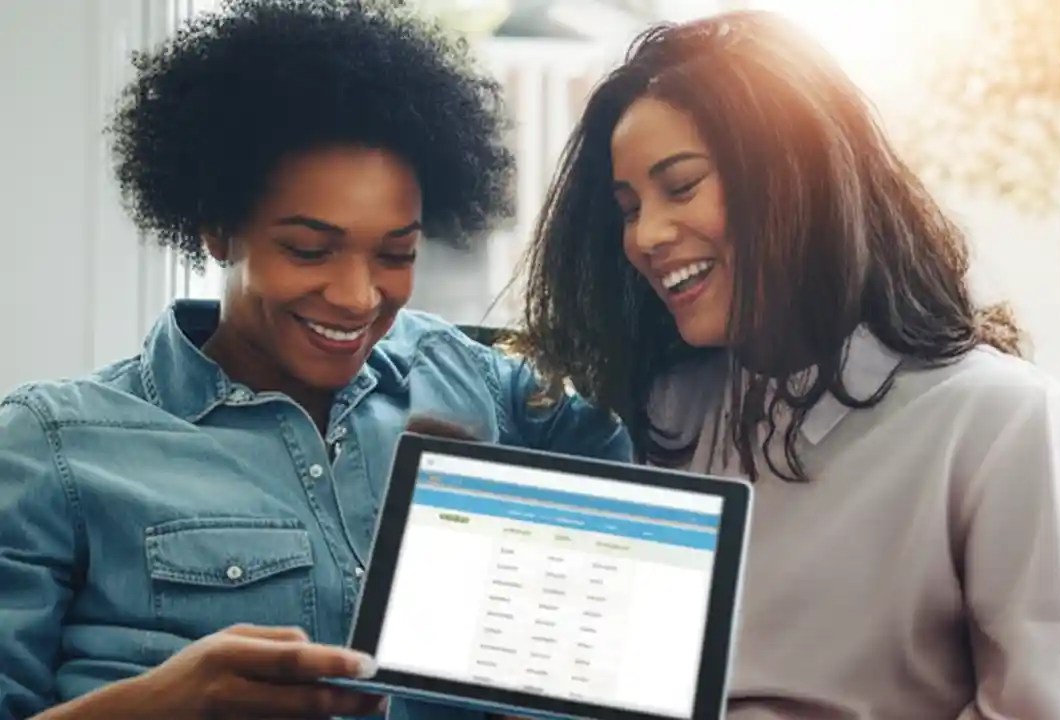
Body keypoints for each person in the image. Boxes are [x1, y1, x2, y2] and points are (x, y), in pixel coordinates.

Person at [0, 1, 628, 719]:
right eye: (308, 249)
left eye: (396, 255)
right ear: (217, 225)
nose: (359, 297)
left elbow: (658, 466)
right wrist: (163, 702)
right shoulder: (53, 447)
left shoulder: (478, 387)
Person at [516, 10, 1060, 719]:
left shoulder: (1002, 422)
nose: (646, 235)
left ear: (792, 179)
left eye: (680, 186)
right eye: (628, 208)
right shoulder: (664, 412)